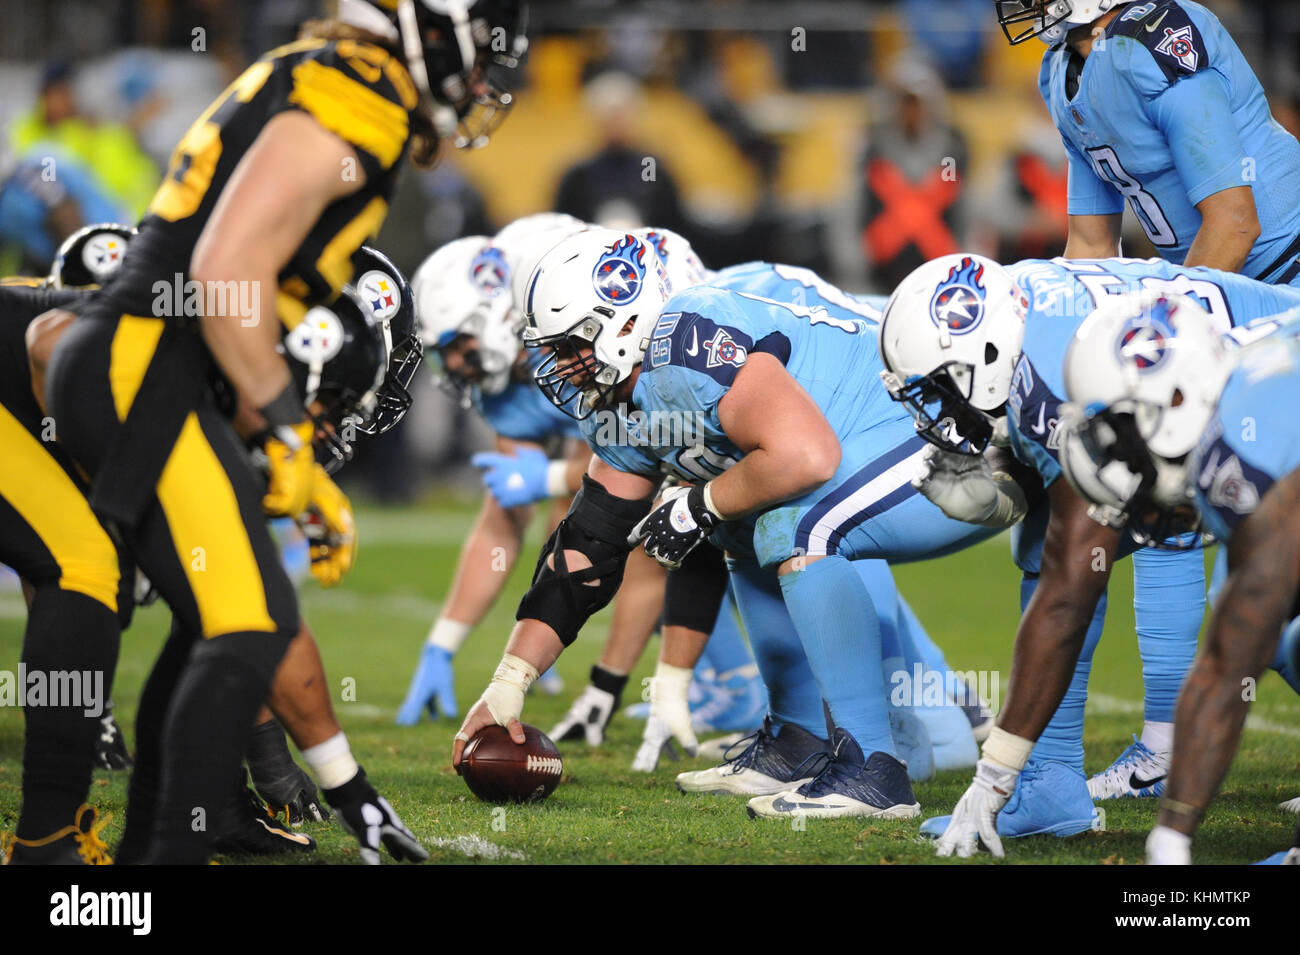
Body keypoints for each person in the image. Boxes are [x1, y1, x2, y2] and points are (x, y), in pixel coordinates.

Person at [41, 0, 527, 864]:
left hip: (137, 360)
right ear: (425, 26)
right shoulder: (363, 93)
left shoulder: (321, 72)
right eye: (480, 39)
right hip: (142, 365)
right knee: (249, 619)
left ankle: (155, 842)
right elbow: (226, 272)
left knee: (216, 614)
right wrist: (288, 430)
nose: (485, 66)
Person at [452, 229, 999, 820]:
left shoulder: (684, 339)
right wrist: (509, 682)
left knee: (789, 524)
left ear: (623, 321)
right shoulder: (624, 403)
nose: (559, 367)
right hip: (869, 450)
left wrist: (696, 504)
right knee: (740, 524)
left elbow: (805, 457)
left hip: (936, 435)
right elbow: (590, 545)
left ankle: (872, 770)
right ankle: (799, 739)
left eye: (570, 345)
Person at [875, 251, 1300, 857]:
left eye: (938, 388)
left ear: (984, 358)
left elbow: (1069, 592)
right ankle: (1048, 783)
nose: (935, 412)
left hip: (1254, 407)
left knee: (1265, 611)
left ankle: (1043, 783)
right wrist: (1008, 493)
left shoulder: (1051, 371)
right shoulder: (1022, 315)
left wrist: (992, 777)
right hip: (1240, 397)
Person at [1056, 290, 1300, 864]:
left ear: (1172, 400)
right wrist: (1172, 835)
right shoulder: (1242, 386)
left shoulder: (1246, 453)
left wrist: (1172, 840)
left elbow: (1228, 661)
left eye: (1123, 441)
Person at [995, 1, 1300, 284]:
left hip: (1284, 268)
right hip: (1216, 282)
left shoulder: (1151, 40)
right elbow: (1092, 247)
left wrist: (1172, 318)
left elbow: (1235, 221)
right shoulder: (1060, 71)